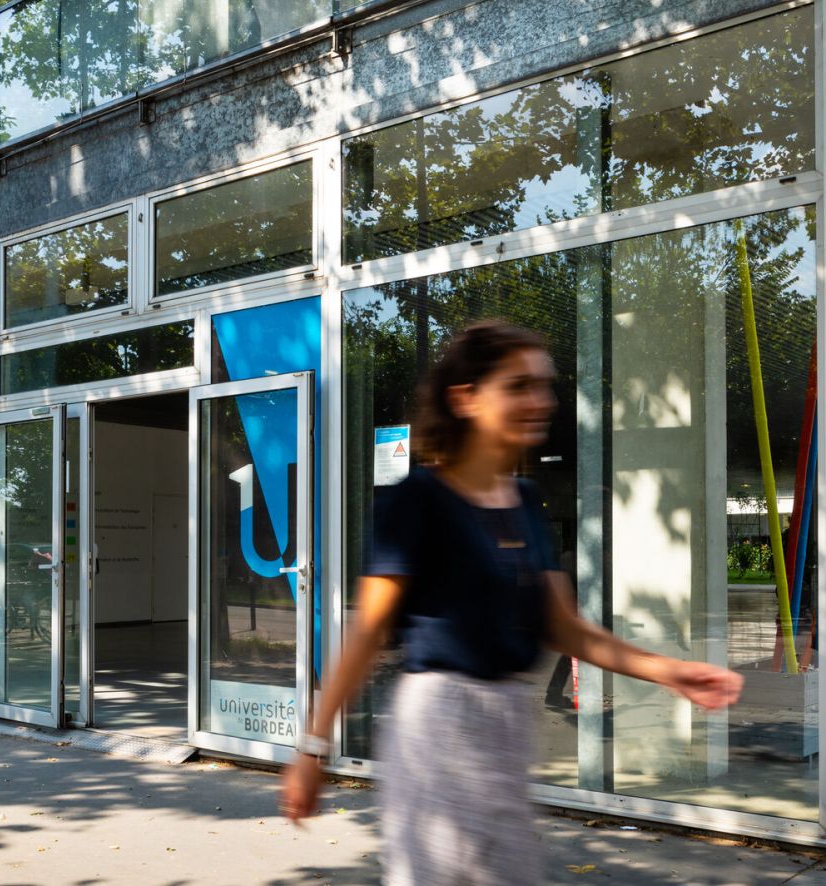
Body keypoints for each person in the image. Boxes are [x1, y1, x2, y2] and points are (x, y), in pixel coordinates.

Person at [280, 321, 744, 884]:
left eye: (544, 386)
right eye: (519, 385)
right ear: (465, 398)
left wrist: (671, 672)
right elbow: (368, 631)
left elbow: (564, 628)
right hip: (439, 726)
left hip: (506, 725)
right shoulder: (418, 501)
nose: (540, 401)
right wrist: (313, 747)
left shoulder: (524, 498)